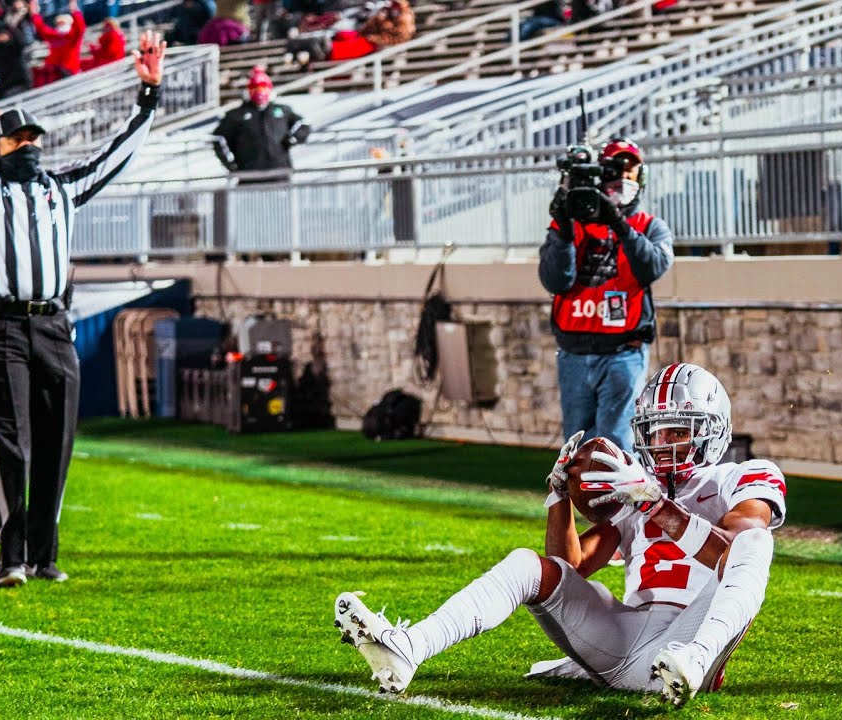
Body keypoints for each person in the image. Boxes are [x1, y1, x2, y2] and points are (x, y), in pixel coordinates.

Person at [334, 362, 786, 708]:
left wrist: (654, 505)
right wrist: (560, 498)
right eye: (654, 429)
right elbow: (569, 569)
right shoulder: (635, 486)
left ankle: (696, 661)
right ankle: (409, 648)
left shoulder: (743, 476)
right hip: (624, 638)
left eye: (677, 429)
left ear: (712, 430)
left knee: (756, 543)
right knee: (529, 564)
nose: (661, 440)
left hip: (691, 635)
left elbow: (733, 549)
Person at [0, 10, 166, 586]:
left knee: (56, 447)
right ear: (0, 145)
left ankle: (45, 556)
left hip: (54, 327)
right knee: (13, 444)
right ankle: (12, 558)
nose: (29, 146)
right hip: (1, 328)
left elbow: (119, 156)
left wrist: (148, 95)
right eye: (19, 139)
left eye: (33, 138)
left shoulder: (62, 189)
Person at [538, 137, 673, 453]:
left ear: (641, 174)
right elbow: (556, 280)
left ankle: (624, 504)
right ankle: (582, 504)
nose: (623, 175)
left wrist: (619, 223)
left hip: (623, 353)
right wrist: (563, 225)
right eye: (615, 167)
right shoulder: (571, 223)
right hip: (574, 353)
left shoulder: (650, 225)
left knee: (618, 446)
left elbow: (651, 267)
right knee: (577, 449)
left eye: (630, 167)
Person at [212, 67, 310, 182]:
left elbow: (303, 124)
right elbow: (219, 138)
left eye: (263, 87)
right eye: (255, 88)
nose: (259, 91)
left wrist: (293, 138)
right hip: (250, 176)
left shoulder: (282, 111)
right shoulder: (236, 115)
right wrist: (230, 164)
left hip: (280, 173)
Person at [29, 0, 84, 85]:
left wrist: (74, 10)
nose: (60, 25)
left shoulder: (73, 36)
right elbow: (40, 26)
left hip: (70, 71)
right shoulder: (53, 35)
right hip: (55, 74)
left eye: (63, 23)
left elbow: (80, 27)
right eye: (58, 23)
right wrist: (34, 10)